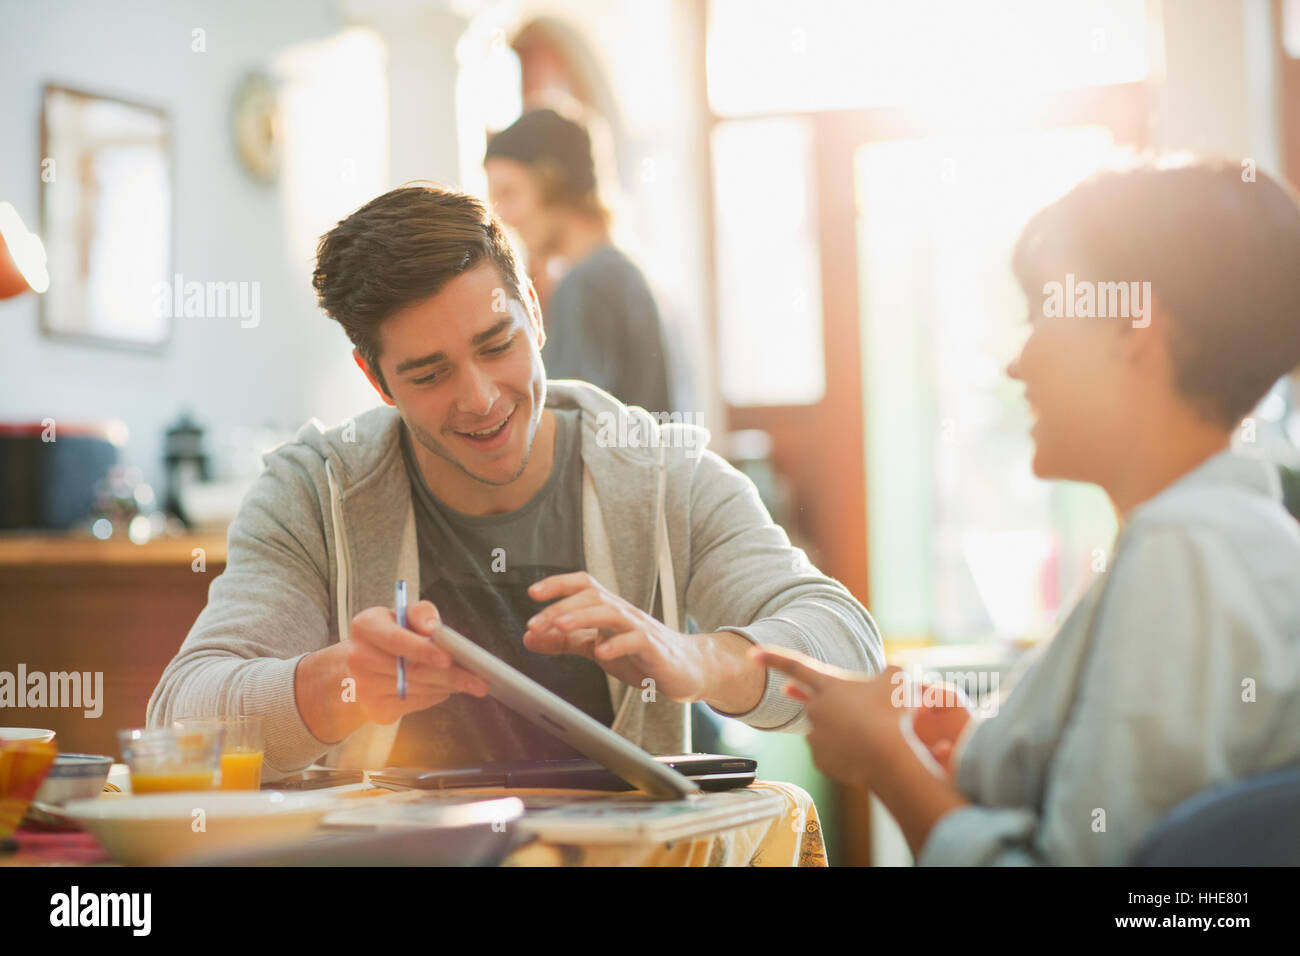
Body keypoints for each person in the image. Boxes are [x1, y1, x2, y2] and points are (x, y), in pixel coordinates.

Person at [146, 183, 882, 776]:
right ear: (376, 380)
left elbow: (850, 647)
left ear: (532, 309)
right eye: (429, 374)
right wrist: (333, 686)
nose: (481, 398)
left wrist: (697, 656)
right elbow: (180, 715)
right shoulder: (313, 493)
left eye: (496, 344)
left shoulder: (662, 473)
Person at [754, 156, 1300, 865]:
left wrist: (887, 761)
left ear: (1133, 330)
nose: (1018, 363)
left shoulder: (1182, 555)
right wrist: (984, 750)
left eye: (1042, 314)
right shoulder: (1239, 538)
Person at [484, 108, 681, 415]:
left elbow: (568, 429)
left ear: (553, 184)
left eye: (508, 193)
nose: (503, 217)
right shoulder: (627, 274)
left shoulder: (587, 285)